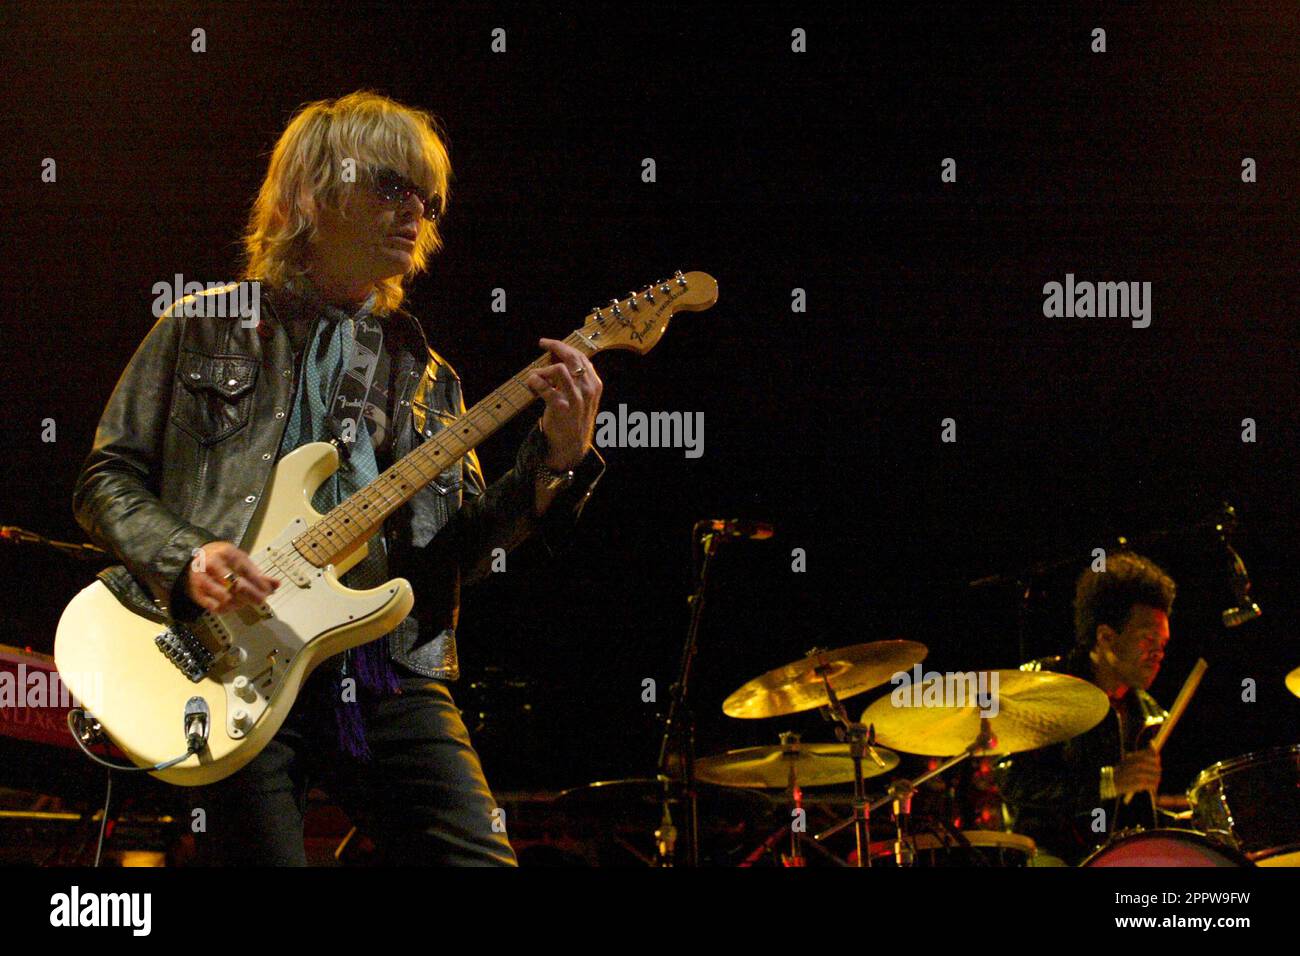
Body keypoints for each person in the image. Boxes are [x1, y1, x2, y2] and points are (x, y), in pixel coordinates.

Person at [72, 91, 606, 865]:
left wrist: (556, 458)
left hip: (387, 664)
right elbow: (106, 481)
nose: (414, 213)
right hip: (229, 658)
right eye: (390, 185)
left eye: (426, 199)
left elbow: (463, 552)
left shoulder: (429, 376)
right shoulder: (200, 325)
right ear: (311, 192)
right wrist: (188, 556)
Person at [998, 551, 1174, 865]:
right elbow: (1013, 782)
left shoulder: (1148, 713)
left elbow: (1133, 818)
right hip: (1048, 854)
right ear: (1106, 637)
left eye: (1162, 644)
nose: (1158, 653)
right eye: (1148, 640)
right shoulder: (1043, 687)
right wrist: (1108, 782)